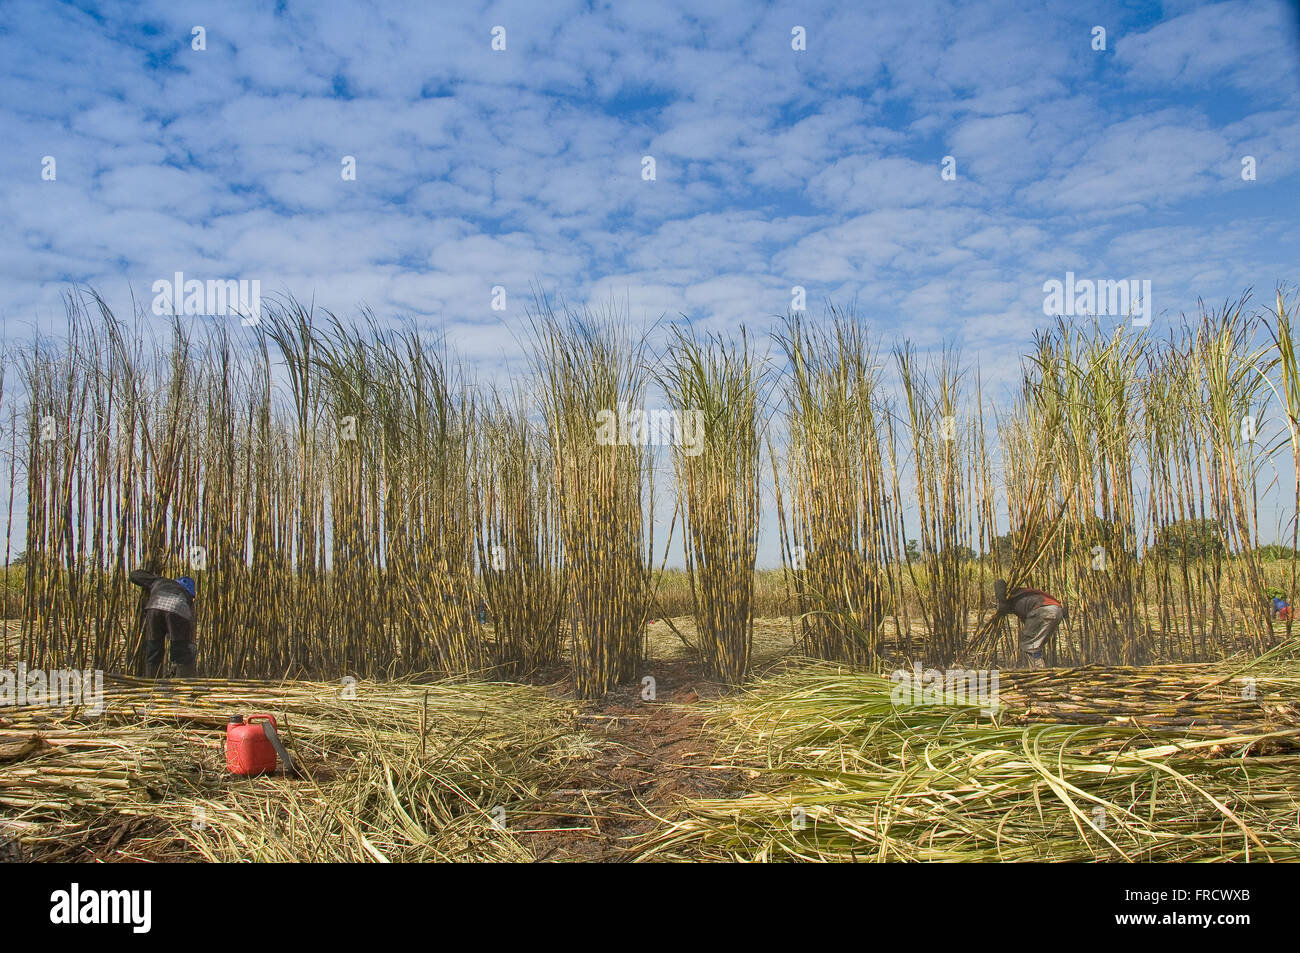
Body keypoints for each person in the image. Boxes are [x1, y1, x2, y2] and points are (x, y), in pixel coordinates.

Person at [128, 570, 198, 677]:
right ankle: (185, 683)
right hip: (178, 609)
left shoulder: (161, 581)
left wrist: (154, 577)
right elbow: (187, 627)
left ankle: (152, 684)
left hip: (155, 606)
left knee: (154, 647)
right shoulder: (187, 596)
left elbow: (134, 575)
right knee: (181, 650)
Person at [994, 579, 1065, 670]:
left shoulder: (1014, 598)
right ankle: (1038, 666)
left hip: (1042, 611)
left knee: (1029, 644)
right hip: (1057, 611)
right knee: (1035, 643)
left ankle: (1039, 670)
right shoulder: (1026, 593)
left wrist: (1002, 606)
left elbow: (1000, 586)